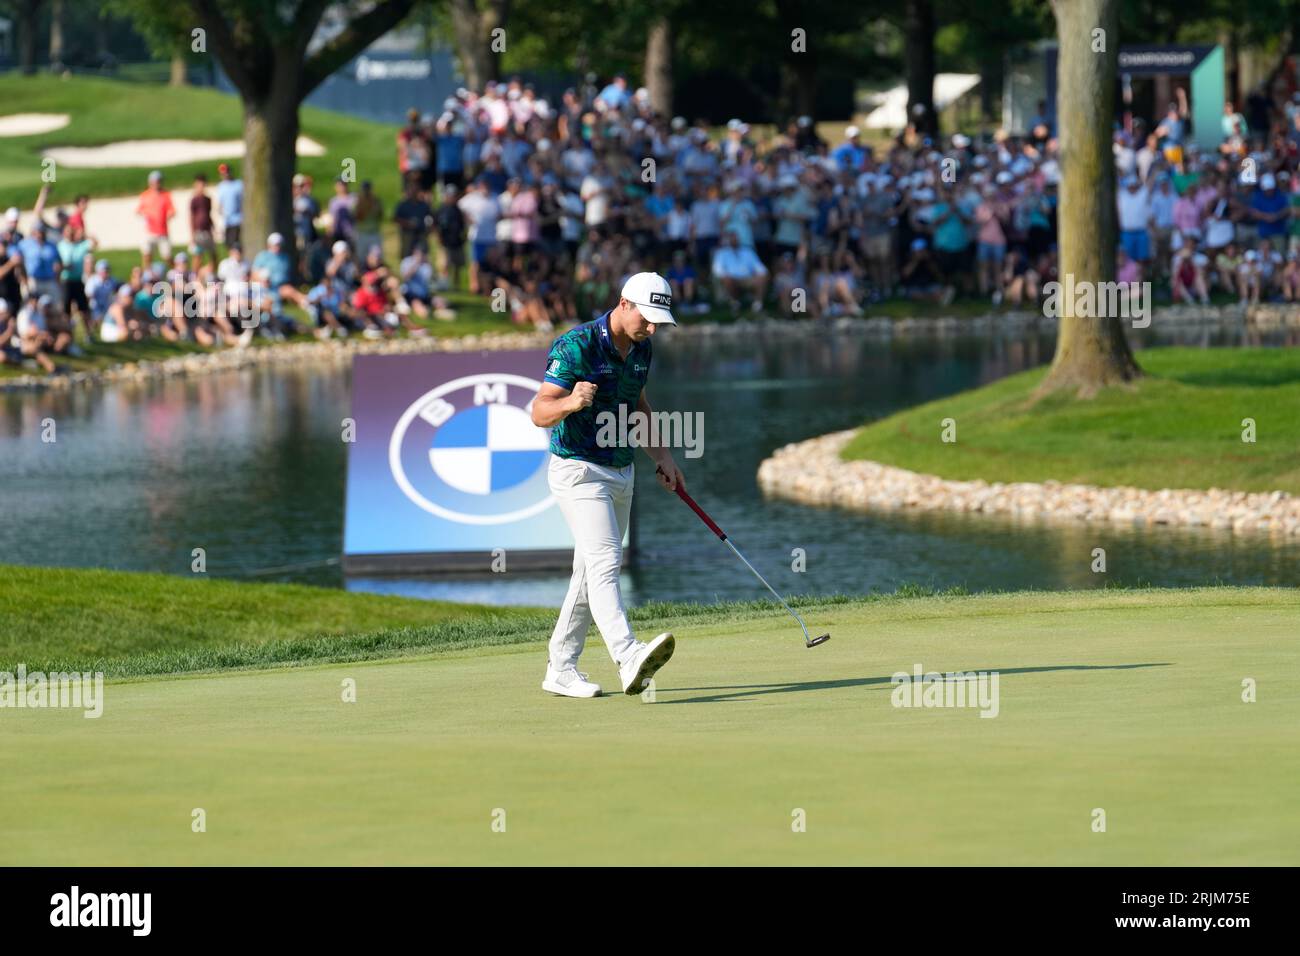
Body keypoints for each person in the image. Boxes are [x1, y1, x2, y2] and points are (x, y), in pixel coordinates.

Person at [528, 272, 682, 698]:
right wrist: (571, 402)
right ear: (624, 304)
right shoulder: (575, 345)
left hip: (621, 471)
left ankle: (560, 667)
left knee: (588, 571)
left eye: (657, 322)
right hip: (578, 470)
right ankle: (628, 654)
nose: (651, 329)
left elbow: (639, 407)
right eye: (646, 319)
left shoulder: (641, 349)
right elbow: (539, 412)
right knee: (605, 563)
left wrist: (664, 457)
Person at [136, 170, 175, 268]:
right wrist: (146, 216)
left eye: (159, 181)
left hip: (162, 231)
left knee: (167, 257)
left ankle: (178, 277)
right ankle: (147, 279)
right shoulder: (145, 195)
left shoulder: (166, 195)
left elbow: (172, 210)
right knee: (146, 255)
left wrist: (169, 216)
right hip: (150, 231)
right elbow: (139, 210)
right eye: (155, 181)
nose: (157, 183)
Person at [214, 163, 243, 248]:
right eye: (222, 173)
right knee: (228, 244)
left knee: (236, 245)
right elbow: (219, 205)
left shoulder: (238, 184)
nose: (224, 175)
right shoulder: (221, 187)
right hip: (227, 221)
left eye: (226, 172)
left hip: (238, 219)